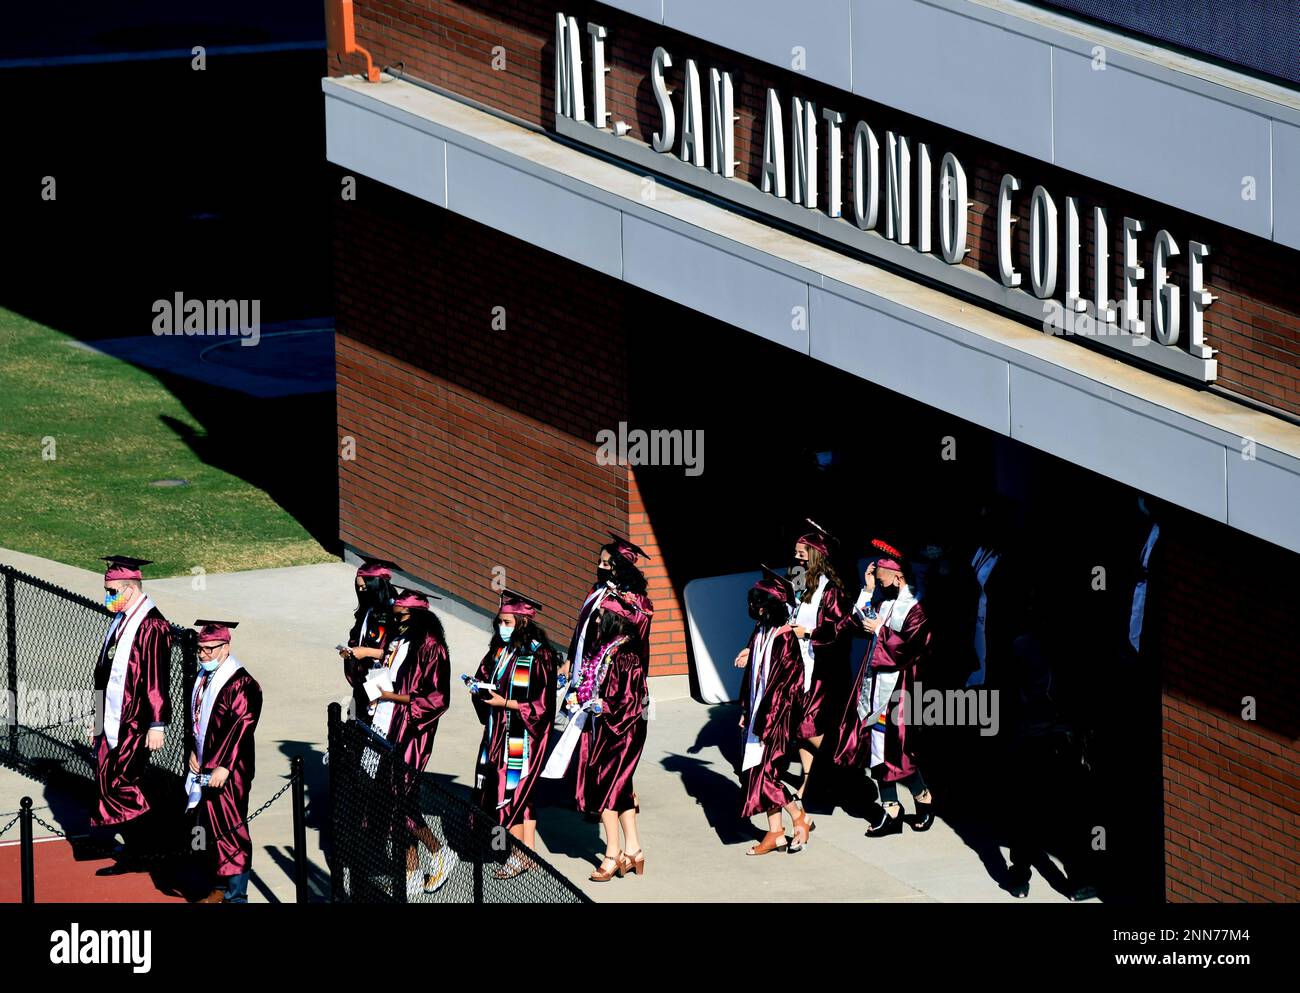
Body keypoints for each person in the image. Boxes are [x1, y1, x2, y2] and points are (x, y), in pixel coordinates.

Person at [360, 588, 455, 897]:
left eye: (400, 613)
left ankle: (440, 852)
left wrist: (392, 698)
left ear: (414, 615)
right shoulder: (401, 641)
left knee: (400, 800)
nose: (395, 616)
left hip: (413, 733)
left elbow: (438, 699)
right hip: (388, 726)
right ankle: (411, 872)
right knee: (395, 801)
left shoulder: (431, 647)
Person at [836, 544, 935, 837]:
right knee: (878, 751)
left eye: (880, 578)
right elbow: (854, 622)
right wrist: (866, 591)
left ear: (898, 576)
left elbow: (913, 648)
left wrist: (881, 630)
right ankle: (893, 808)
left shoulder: (916, 608)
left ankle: (920, 799)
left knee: (898, 754)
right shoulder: (883, 603)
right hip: (873, 686)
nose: (878, 582)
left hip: (899, 690)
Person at [469, 589, 558, 878]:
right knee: (523, 796)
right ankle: (527, 852)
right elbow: (486, 674)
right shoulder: (499, 649)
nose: (501, 628)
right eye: (499, 622)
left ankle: (518, 855)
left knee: (513, 791)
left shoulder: (539, 655)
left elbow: (543, 706)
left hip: (521, 737)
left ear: (522, 621)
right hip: (497, 731)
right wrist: (478, 687)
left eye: (507, 622)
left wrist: (505, 702)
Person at [92, 555, 172, 874]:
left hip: (135, 721)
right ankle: (131, 842)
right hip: (112, 717)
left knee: (126, 783)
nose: (108, 596)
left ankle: (142, 850)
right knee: (109, 779)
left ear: (130, 587)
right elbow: (104, 672)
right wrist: (96, 718)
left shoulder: (152, 625)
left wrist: (156, 724)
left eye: (112, 590)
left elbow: (156, 678)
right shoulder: (122, 618)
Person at [571, 590, 649, 881]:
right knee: (621, 788)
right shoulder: (609, 649)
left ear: (616, 619)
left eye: (603, 614)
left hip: (622, 731)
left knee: (604, 787)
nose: (598, 619)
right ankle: (634, 850)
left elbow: (630, 702)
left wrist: (599, 705)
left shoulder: (627, 656)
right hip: (607, 727)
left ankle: (612, 854)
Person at [185, 620, 263, 904]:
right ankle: (218, 886)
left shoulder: (243, 684)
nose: (203, 655)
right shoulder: (204, 677)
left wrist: (224, 766)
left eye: (209, 649)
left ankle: (237, 895)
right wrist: (195, 751)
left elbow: (242, 727)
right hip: (205, 765)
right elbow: (197, 719)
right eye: (200, 649)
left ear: (225, 647)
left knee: (231, 828)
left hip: (231, 771)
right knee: (209, 827)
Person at [734, 567, 809, 855]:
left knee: (766, 774)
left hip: (776, 717)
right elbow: (753, 676)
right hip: (759, 712)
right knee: (758, 772)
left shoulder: (785, 638)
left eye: (759, 604)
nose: (754, 609)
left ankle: (797, 816)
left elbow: (784, 686)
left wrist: (766, 722)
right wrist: (746, 708)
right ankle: (776, 832)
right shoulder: (763, 631)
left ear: (772, 607)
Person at [786, 519, 854, 809]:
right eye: (796, 553)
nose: (797, 557)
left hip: (822, 668)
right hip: (796, 662)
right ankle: (808, 778)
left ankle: (842, 763)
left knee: (808, 727)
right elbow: (790, 610)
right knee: (796, 727)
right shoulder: (799, 580)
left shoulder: (831, 590)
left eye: (803, 553)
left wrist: (809, 633)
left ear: (815, 556)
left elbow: (839, 628)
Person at [562, 533, 650, 687]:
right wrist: (569, 661)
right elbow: (581, 628)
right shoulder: (597, 589)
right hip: (585, 662)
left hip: (612, 673)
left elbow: (640, 643)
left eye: (606, 564)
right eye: (599, 562)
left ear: (620, 568)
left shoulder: (636, 602)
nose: (599, 567)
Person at [338, 558, 396, 721]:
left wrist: (367, 652)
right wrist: (351, 652)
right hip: (363, 680)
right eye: (359, 588)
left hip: (383, 683)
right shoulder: (367, 611)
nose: (362, 592)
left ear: (376, 584)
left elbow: (398, 653)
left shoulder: (394, 613)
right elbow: (357, 639)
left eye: (365, 587)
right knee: (356, 726)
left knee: (375, 728)